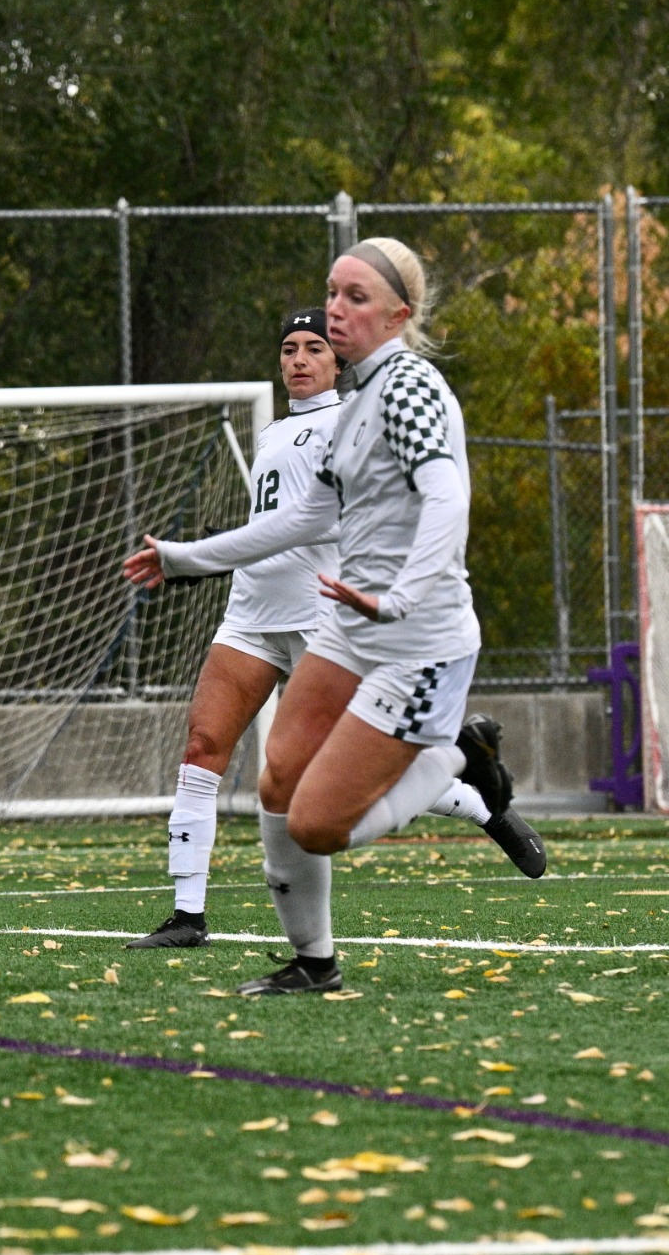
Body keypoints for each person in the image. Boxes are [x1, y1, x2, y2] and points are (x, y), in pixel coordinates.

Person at [122, 237, 546, 994]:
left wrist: (403, 595)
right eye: (332, 292)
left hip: (417, 635)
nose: (335, 309)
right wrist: (185, 556)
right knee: (278, 783)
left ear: (399, 314)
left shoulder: (410, 387)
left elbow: (447, 496)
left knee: (318, 822)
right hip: (349, 628)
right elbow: (297, 519)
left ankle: (461, 762)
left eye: (355, 297)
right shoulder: (353, 412)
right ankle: (314, 965)